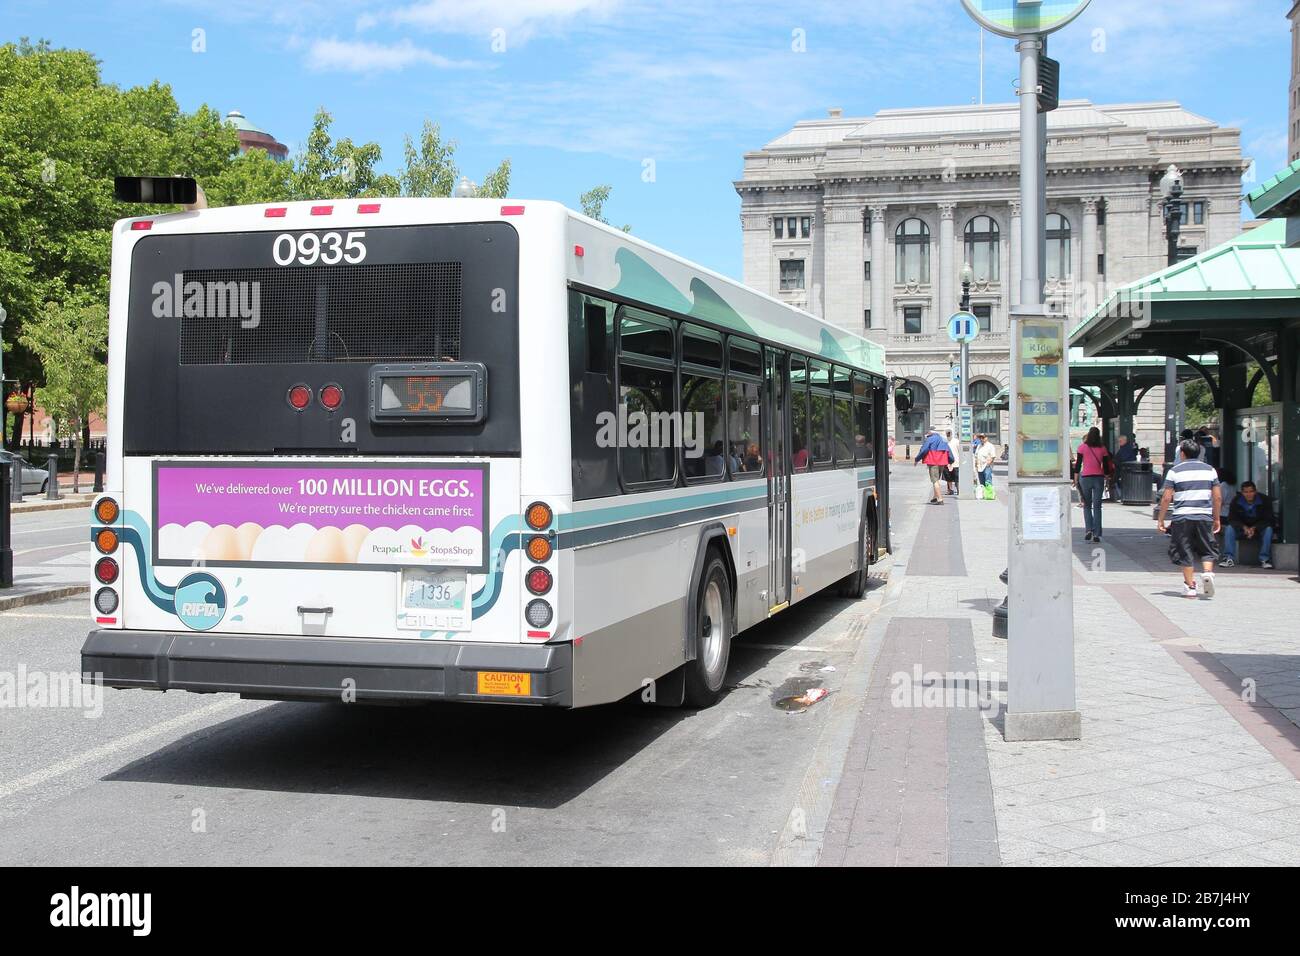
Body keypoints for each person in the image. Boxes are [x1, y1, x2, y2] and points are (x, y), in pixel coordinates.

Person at [1157, 438, 1223, 598]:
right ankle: (1207, 573)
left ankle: (1190, 586)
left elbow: (1166, 497)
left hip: (1182, 517)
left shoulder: (1175, 471)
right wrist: (1216, 518)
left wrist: (1161, 519)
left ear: (1182, 453)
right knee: (1207, 548)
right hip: (1204, 515)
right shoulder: (1210, 470)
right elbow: (1217, 497)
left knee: (1184, 550)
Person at [1222, 481, 1275, 569]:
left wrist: (1254, 528)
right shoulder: (1236, 500)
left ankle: (1265, 559)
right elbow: (1232, 519)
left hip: (1259, 529)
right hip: (1242, 529)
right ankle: (1228, 558)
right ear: (1242, 493)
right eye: (1246, 492)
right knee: (1229, 528)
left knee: (1268, 529)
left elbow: (1269, 519)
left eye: (1251, 491)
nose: (1248, 494)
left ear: (1255, 491)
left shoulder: (1265, 500)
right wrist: (1244, 527)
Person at [1073, 426, 1112, 542]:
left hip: (1085, 478)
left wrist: (1075, 479)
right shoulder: (1102, 449)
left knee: (1086, 505)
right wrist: (1107, 477)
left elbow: (1078, 465)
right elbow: (1105, 466)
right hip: (1098, 478)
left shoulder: (1082, 448)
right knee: (1097, 506)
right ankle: (1097, 533)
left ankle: (1089, 529)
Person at [913, 427, 953, 505]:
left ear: (930, 433)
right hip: (942, 462)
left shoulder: (930, 439)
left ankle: (940, 499)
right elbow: (949, 451)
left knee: (935, 481)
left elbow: (923, 450)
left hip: (933, 461)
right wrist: (951, 461)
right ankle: (935, 497)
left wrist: (917, 459)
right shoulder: (943, 439)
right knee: (937, 480)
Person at [944, 429, 960, 496]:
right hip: (947, 463)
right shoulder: (944, 441)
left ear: (951, 433)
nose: (948, 434)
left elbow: (960, 452)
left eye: (949, 433)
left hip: (956, 463)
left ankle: (959, 489)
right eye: (947, 433)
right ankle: (950, 490)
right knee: (948, 477)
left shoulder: (956, 441)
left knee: (957, 477)